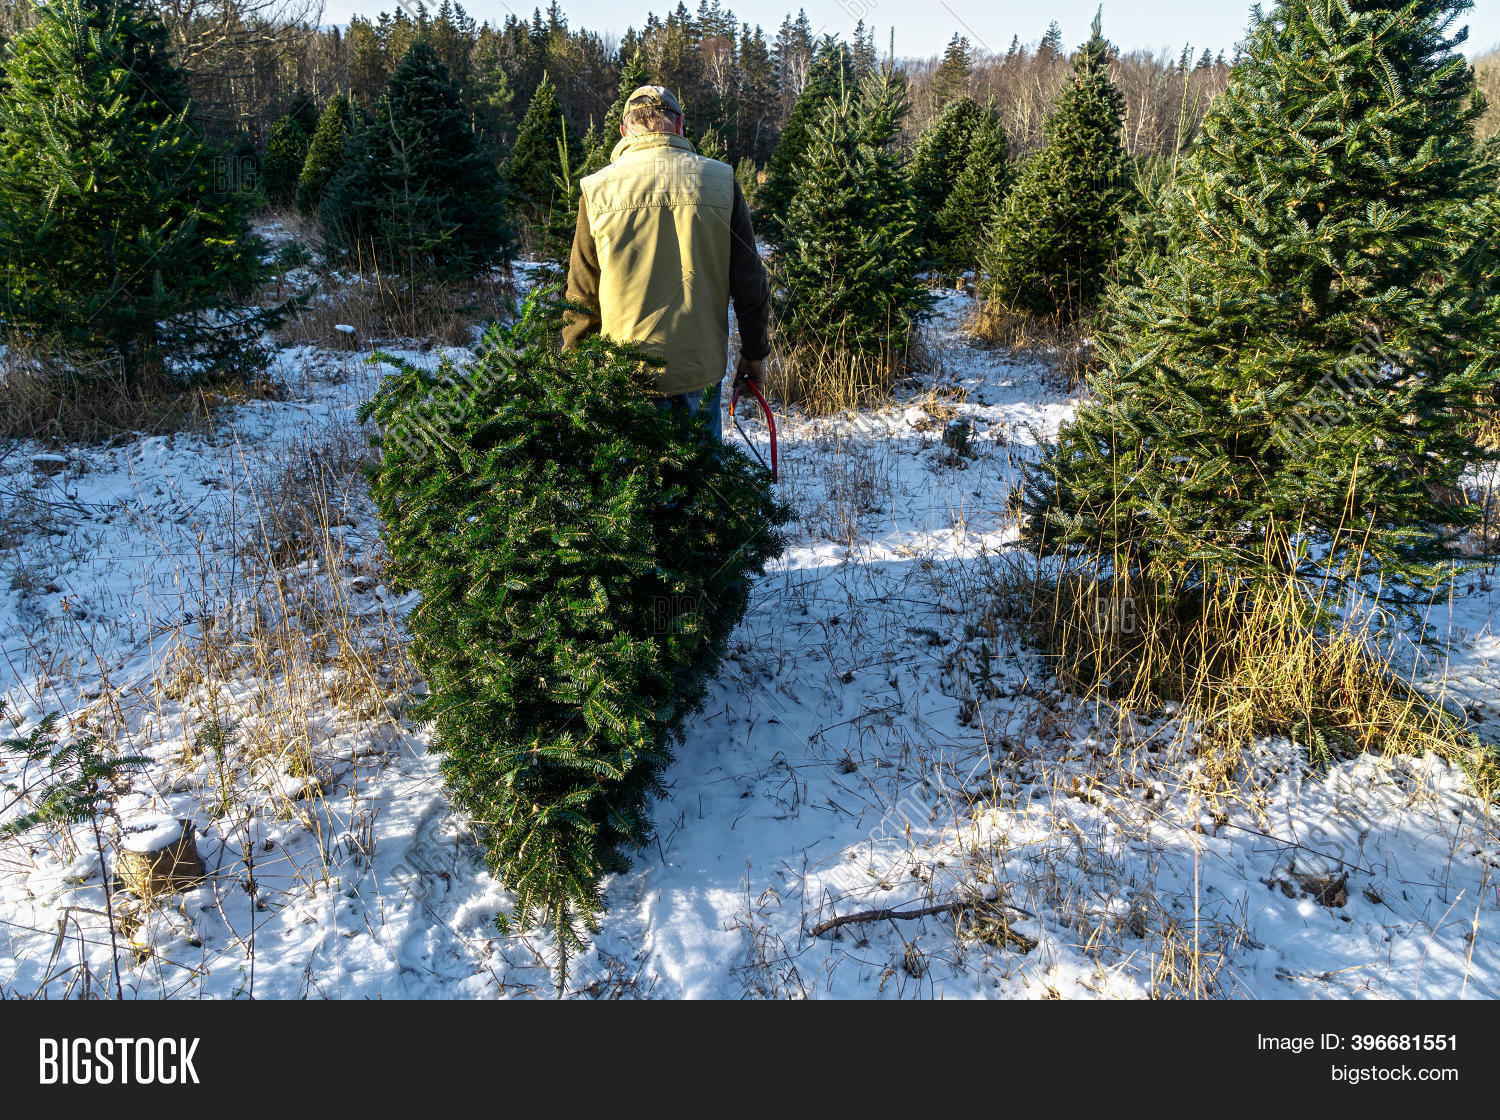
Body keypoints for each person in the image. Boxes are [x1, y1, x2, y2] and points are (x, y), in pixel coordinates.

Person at [561, 85, 770, 440]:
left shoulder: (597, 190)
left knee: (633, 475)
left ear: (624, 131)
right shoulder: (720, 181)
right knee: (702, 472)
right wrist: (754, 355)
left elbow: (582, 294)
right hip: (698, 371)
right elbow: (751, 283)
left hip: (624, 374)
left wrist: (574, 368)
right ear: (680, 125)